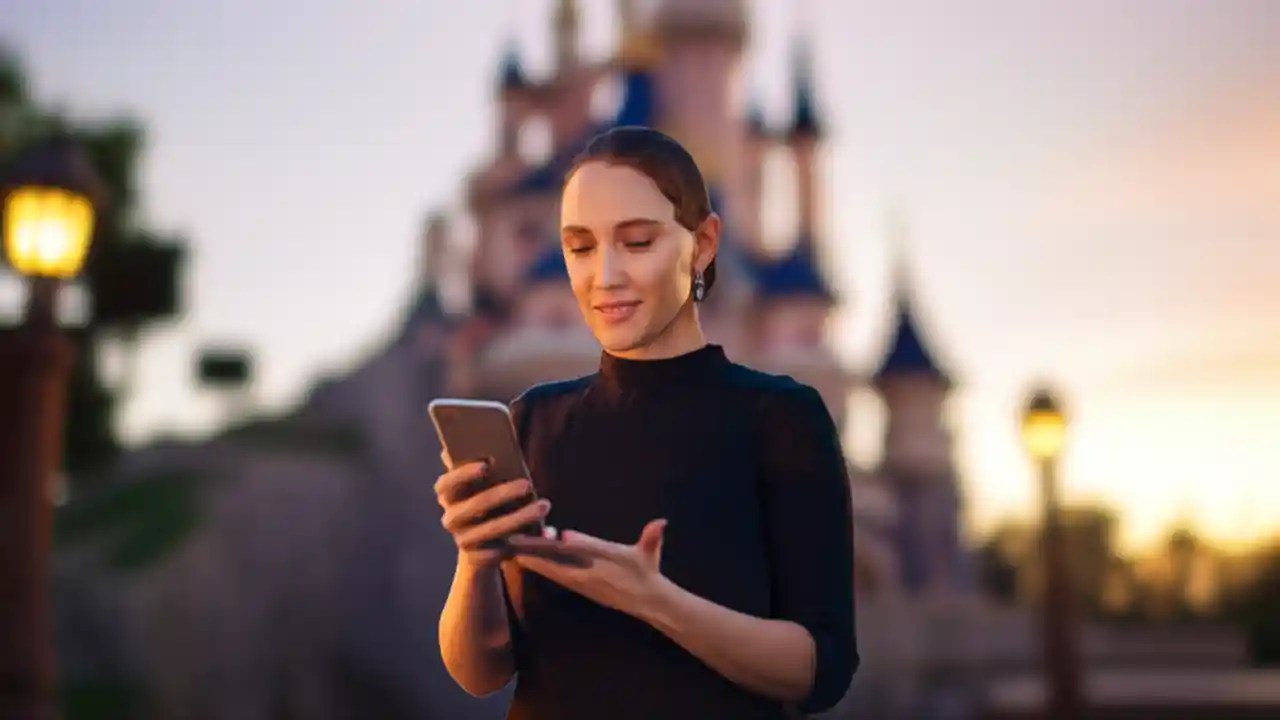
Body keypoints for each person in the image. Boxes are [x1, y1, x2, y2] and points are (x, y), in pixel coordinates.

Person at [434, 126, 858, 719]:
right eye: (580, 247)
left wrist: (656, 602)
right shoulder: (531, 421)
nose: (604, 276)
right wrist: (474, 559)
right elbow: (481, 673)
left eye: (636, 242)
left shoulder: (780, 418)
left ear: (703, 244)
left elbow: (822, 669)